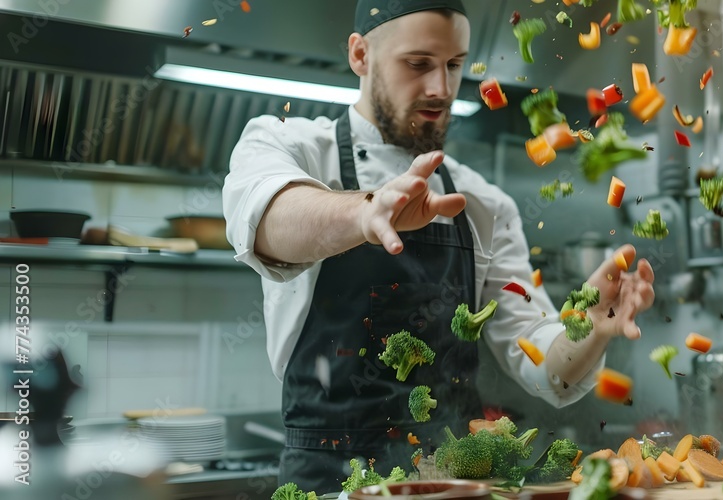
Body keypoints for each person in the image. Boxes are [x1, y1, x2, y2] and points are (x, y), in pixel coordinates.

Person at [222, 0, 656, 494]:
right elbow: (268, 220)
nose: (441, 89)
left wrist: (590, 329)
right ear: (360, 55)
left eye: (453, 65)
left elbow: (545, 367)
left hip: (452, 480)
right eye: (418, 64)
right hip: (325, 482)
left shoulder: (481, 202)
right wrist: (366, 213)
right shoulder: (290, 147)